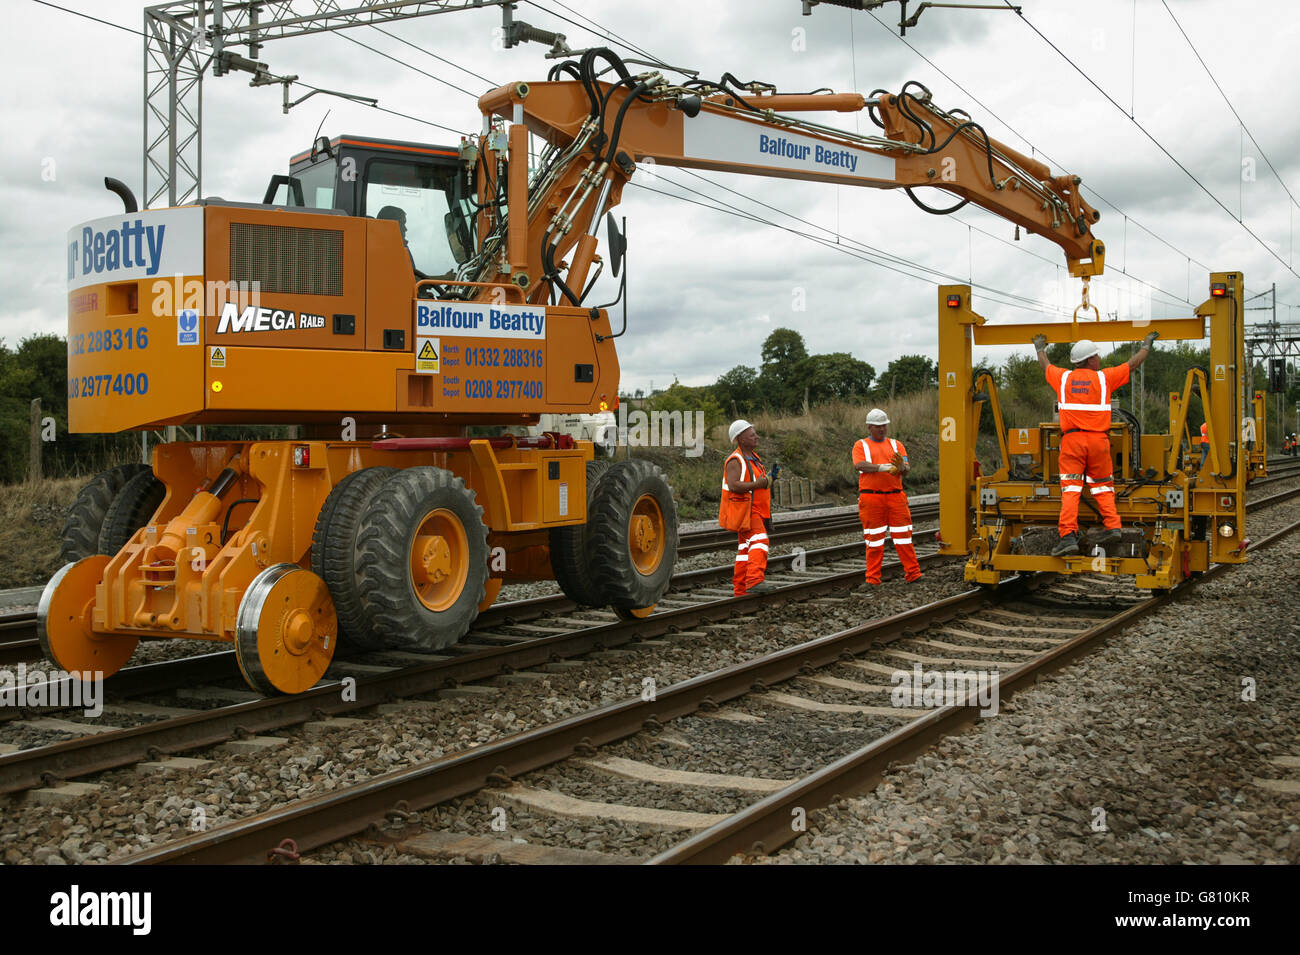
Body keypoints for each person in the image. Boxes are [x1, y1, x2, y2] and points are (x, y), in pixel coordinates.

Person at [1033, 333, 1157, 556]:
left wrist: (1039, 348)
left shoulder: (1063, 378)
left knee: (1071, 490)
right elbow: (1132, 365)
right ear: (1090, 360)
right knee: (1103, 487)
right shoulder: (1104, 378)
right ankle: (1112, 526)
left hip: (1072, 442)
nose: (1099, 358)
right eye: (1096, 355)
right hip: (1099, 442)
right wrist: (1146, 346)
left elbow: (1046, 366)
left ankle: (1068, 536)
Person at [853, 408, 923, 585]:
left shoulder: (896, 445)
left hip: (896, 497)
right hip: (872, 499)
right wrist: (885, 468)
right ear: (869, 427)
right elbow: (860, 465)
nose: (882, 429)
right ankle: (873, 579)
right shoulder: (861, 445)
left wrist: (902, 467)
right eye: (877, 426)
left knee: (904, 538)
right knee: (874, 540)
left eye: (884, 425)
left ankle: (913, 574)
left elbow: (906, 469)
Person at [719, 420, 777, 596]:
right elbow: (734, 485)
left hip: (757, 510)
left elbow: (759, 485)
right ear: (740, 438)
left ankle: (741, 588)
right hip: (746, 511)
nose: (756, 437)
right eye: (752, 434)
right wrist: (758, 483)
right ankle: (754, 580)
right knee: (760, 541)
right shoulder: (735, 460)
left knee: (745, 549)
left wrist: (770, 479)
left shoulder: (755, 460)